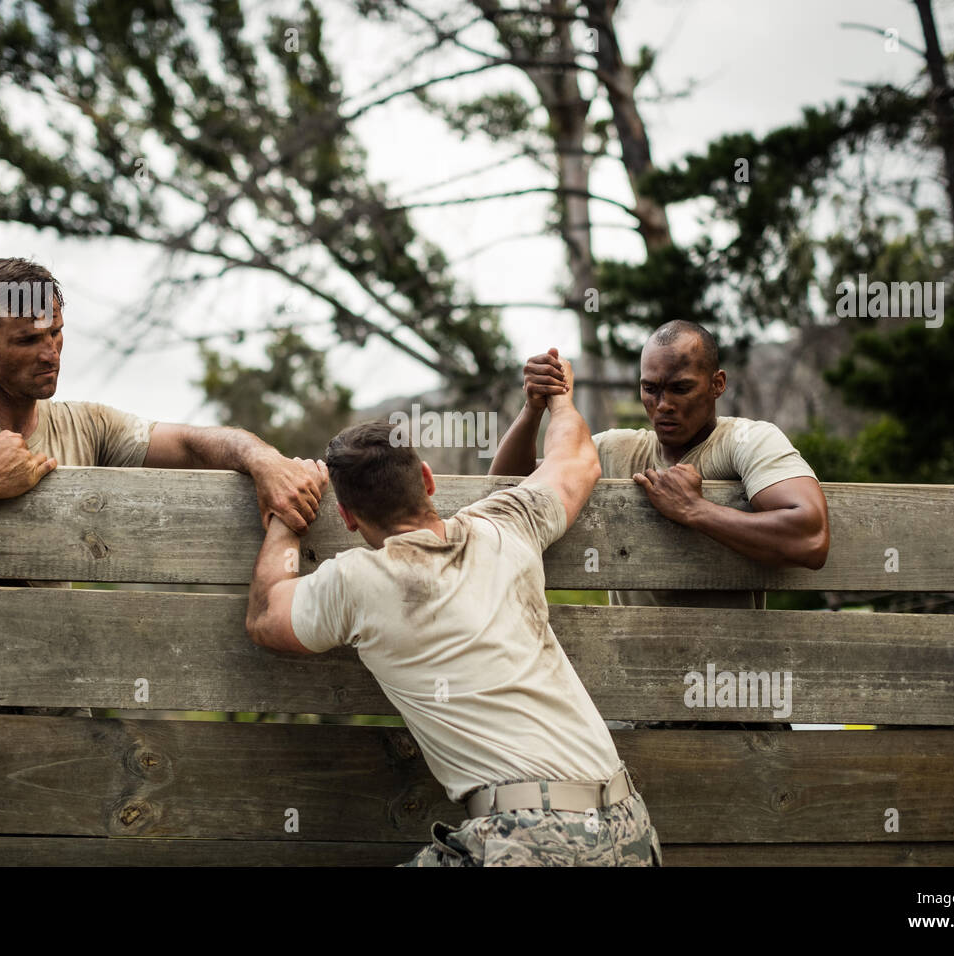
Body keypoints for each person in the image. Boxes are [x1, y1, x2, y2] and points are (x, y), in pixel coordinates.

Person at [244, 360, 662, 866]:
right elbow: (577, 457)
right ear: (426, 479)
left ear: (348, 518)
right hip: (629, 828)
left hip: (527, 842)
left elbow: (267, 613)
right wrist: (556, 398)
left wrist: (289, 516)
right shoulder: (508, 524)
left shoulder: (356, 582)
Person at [0, 257, 325, 547]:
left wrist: (264, 459)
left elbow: (192, 445)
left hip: (58, 679)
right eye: (27, 340)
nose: (50, 353)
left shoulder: (88, 425)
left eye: (56, 333)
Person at [489, 323, 830, 730]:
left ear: (717, 384)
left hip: (737, 703)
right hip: (638, 701)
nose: (663, 404)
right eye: (650, 389)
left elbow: (810, 536)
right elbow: (510, 490)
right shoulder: (617, 450)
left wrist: (695, 510)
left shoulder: (747, 441)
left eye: (680, 389)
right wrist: (533, 409)